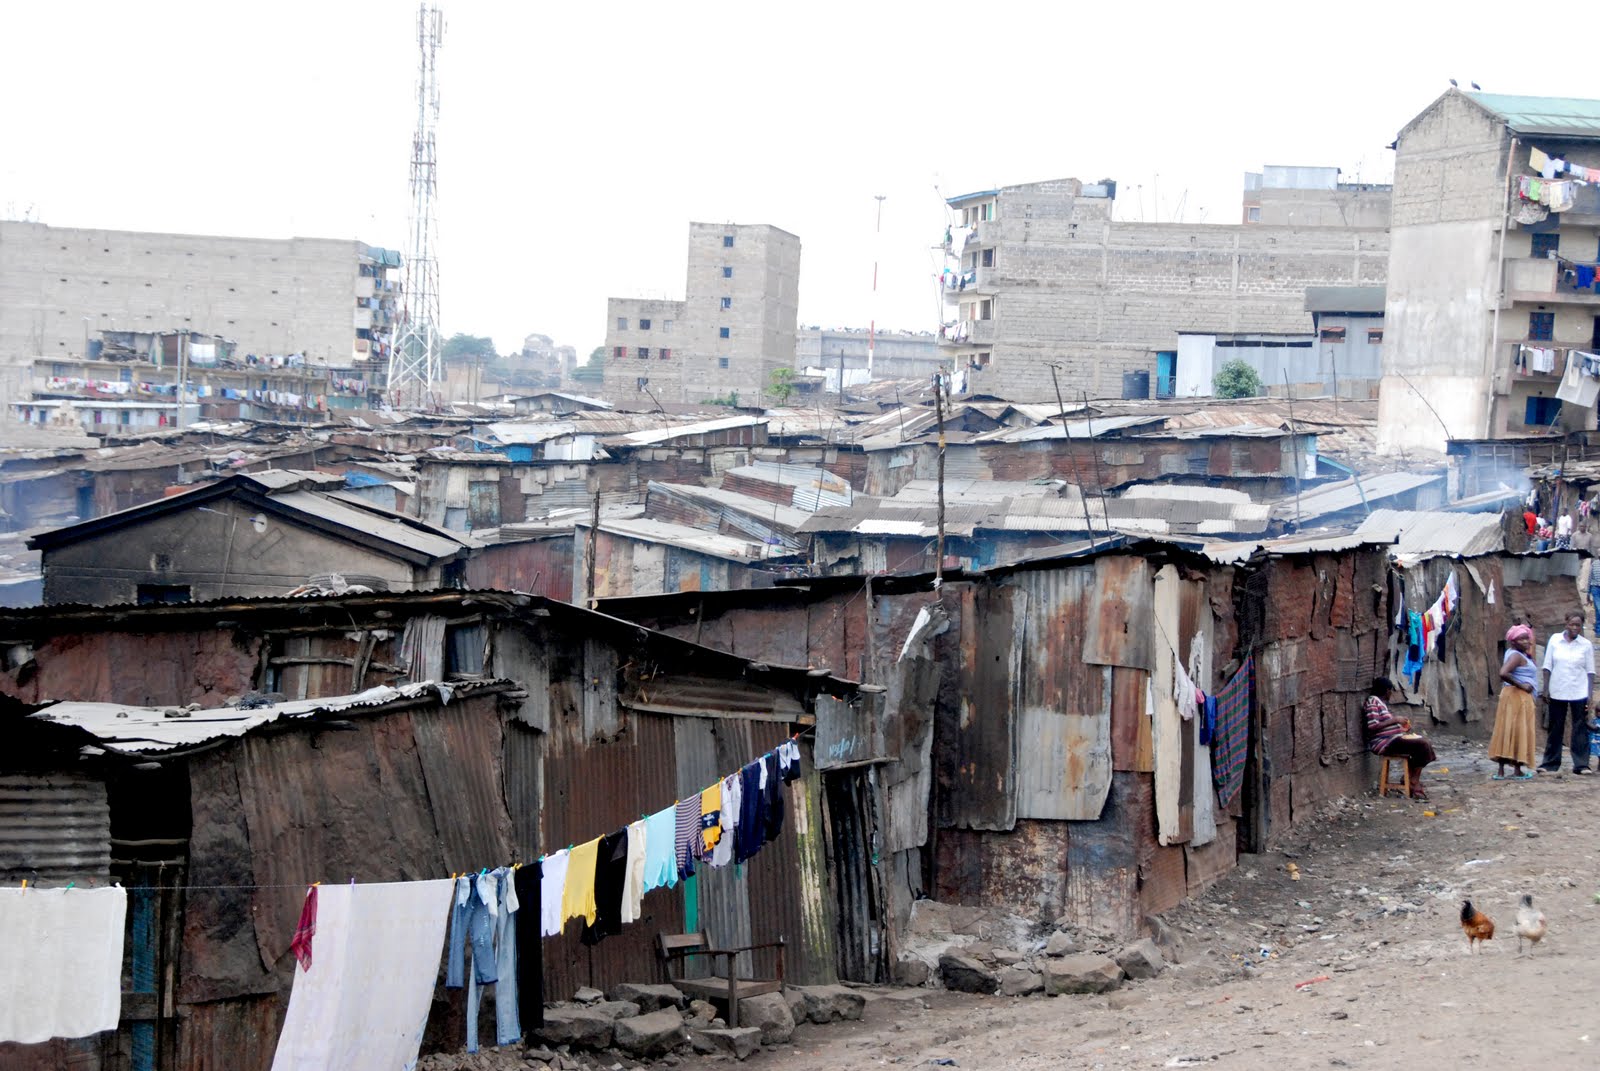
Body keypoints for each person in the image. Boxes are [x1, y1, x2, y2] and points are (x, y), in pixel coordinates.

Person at [1539, 611, 1596, 774]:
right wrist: (1546, 688)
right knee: (1555, 727)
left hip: (1579, 690)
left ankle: (1581, 765)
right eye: (1572, 624)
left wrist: (1589, 695)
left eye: (1578, 625)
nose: (1575, 628)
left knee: (1580, 727)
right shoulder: (1555, 640)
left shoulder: (1585, 645)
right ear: (1566, 623)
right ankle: (1550, 763)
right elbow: (1547, 666)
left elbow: (1590, 671)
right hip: (1558, 690)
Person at [1365, 677, 1435, 799]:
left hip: (1391, 739)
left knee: (1423, 746)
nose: (1390, 694)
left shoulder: (1381, 704)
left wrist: (1401, 729)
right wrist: (1395, 720)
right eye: (1390, 691)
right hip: (1384, 742)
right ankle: (1413, 781)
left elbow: (1384, 725)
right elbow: (1373, 726)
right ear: (1387, 690)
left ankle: (1410, 778)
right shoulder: (1373, 702)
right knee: (1423, 744)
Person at [1490, 625, 1539, 779]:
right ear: (1513, 642)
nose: (1526, 641)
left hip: (1512, 697)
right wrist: (1522, 685)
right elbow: (1503, 673)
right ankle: (1516, 770)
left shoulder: (1516, 654)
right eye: (1521, 639)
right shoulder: (1516, 656)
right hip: (1517, 697)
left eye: (1527, 638)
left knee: (1507, 731)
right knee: (1518, 731)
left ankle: (1502, 771)